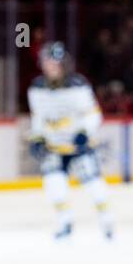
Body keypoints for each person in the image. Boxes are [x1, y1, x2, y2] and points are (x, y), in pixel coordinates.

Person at [26, 41, 114, 240]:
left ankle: (106, 220)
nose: (51, 67)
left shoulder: (78, 85)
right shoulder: (37, 88)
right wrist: (37, 137)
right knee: (54, 184)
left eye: (54, 63)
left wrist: (84, 132)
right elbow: (38, 117)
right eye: (47, 63)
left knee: (93, 184)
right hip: (54, 147)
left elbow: (93, 115)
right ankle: (64, 222)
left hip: (78, 146)